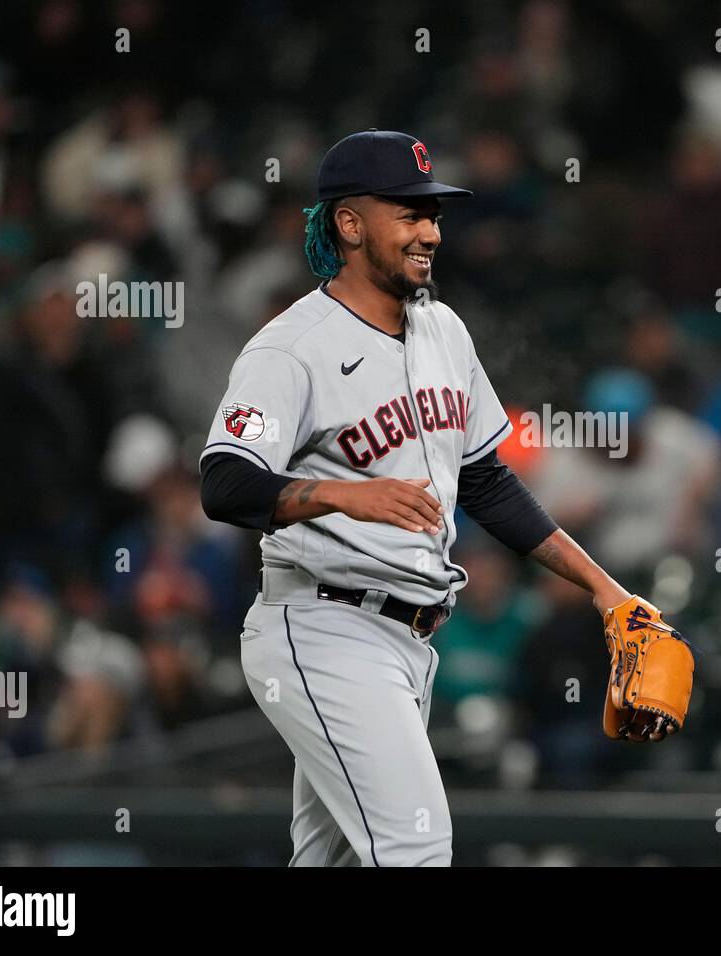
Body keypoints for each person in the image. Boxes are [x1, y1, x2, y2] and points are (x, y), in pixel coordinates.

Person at [198, 130, 646, 867]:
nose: (430, 231)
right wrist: (344, 494)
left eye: (433, 214)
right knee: (415, 844)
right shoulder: (290, 349)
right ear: (349, 224)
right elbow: (225, 481)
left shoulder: (444, 330)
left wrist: (602, 587)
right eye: (408, 213)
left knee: (338, 859)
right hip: (323, 625)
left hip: (409, 639)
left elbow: (488, 483)